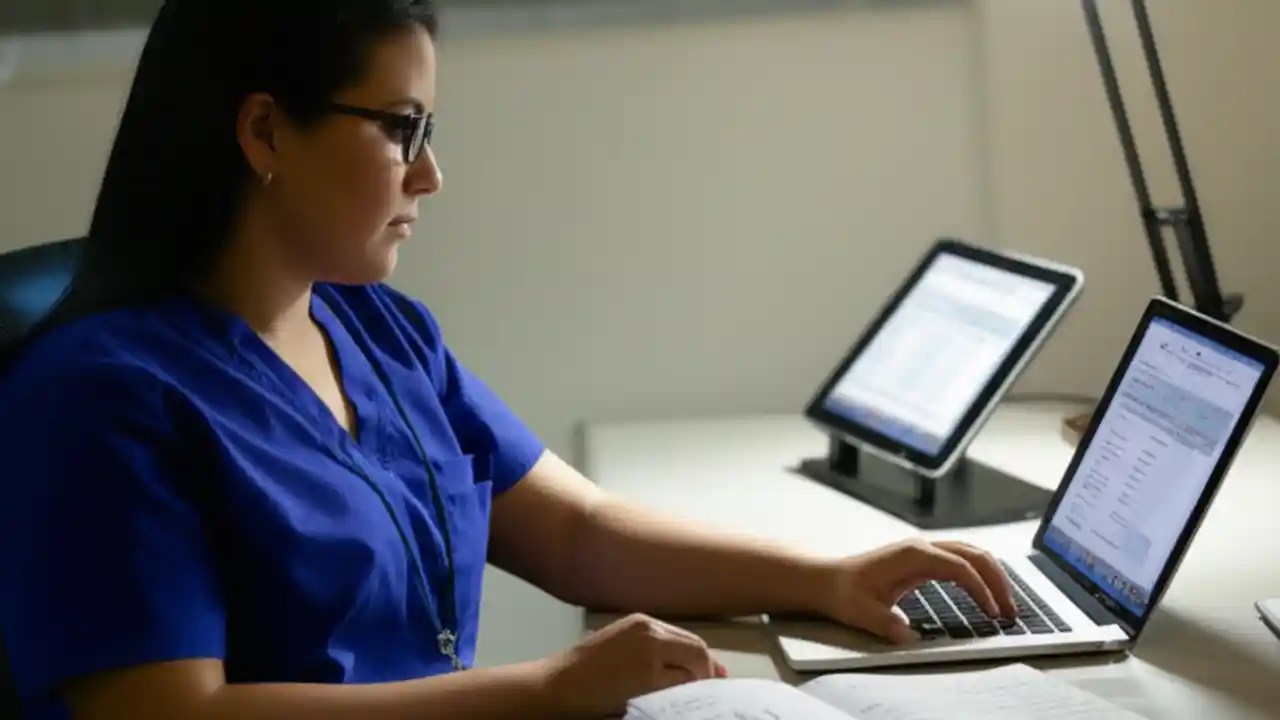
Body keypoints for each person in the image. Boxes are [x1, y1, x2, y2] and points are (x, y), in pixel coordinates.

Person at [0, 1, 1019, 718]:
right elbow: (166, 716)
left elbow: (574, 532)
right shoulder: (99, 400)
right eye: (402, 129)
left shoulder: (381, 332)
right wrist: (540, 694)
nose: (432, 174)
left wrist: (825, 578)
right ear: (265, 129)